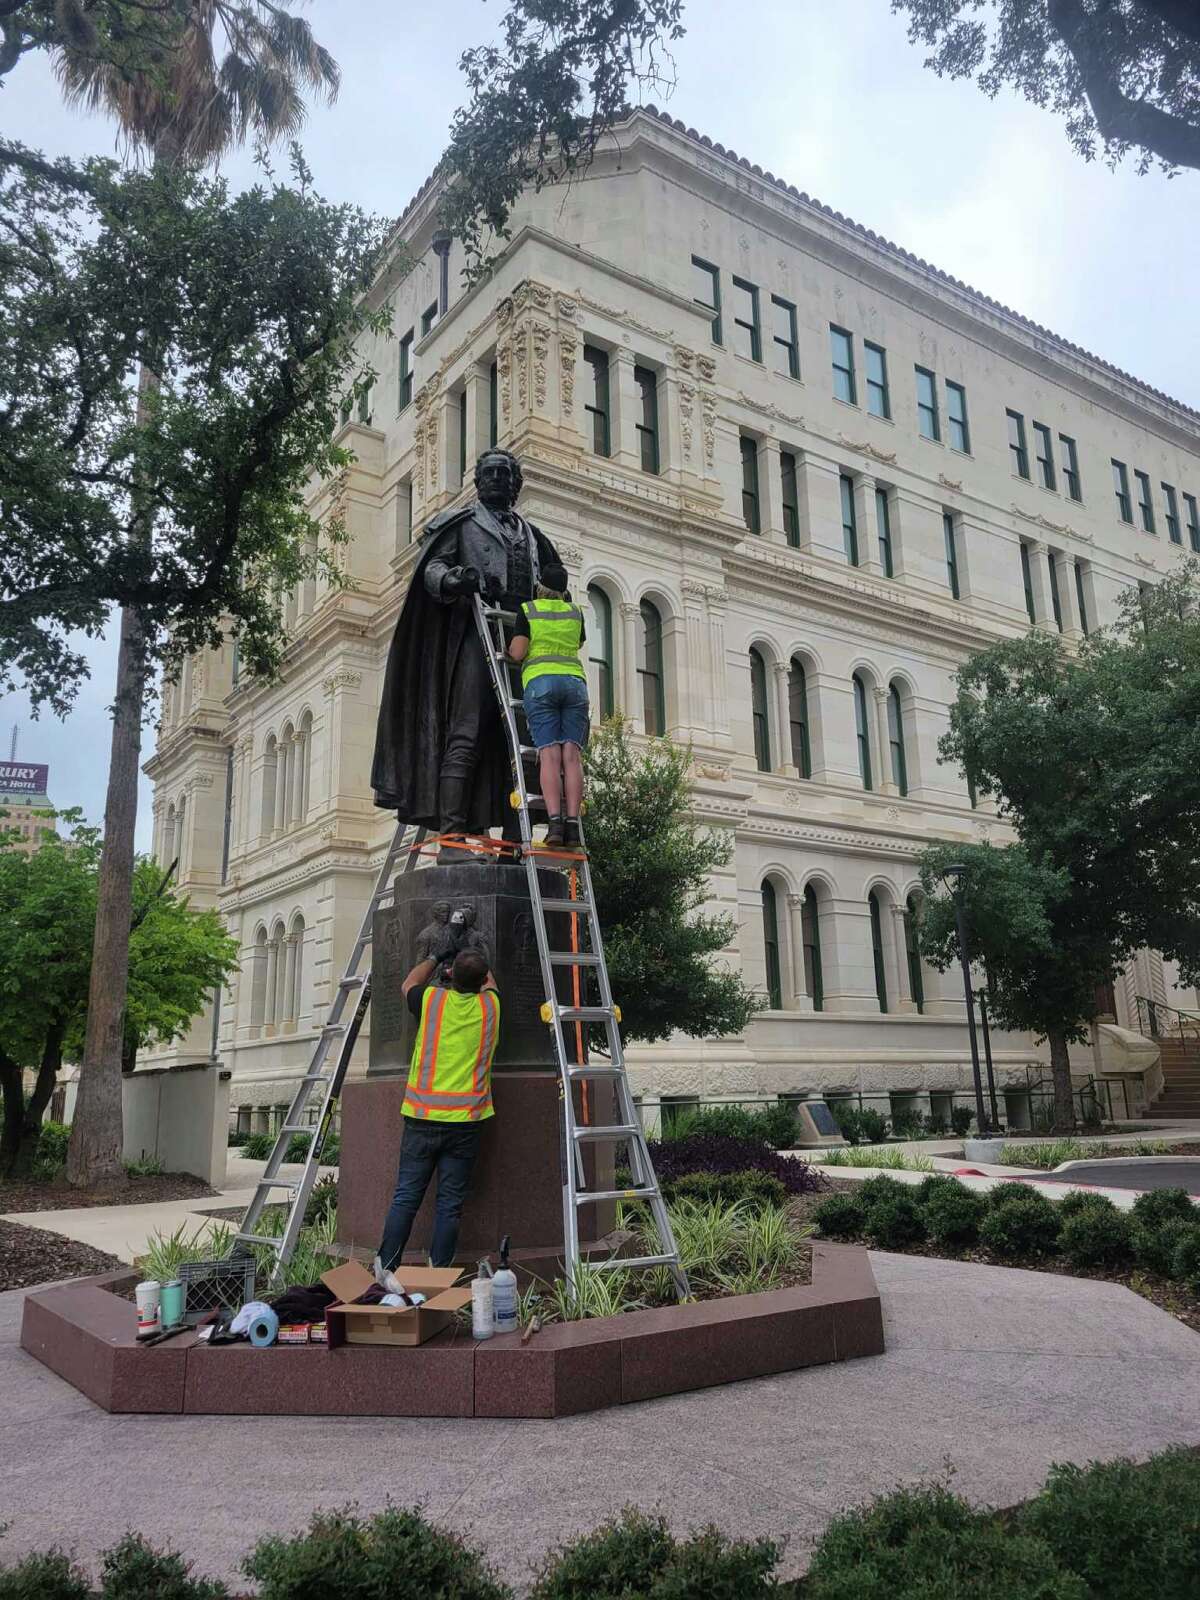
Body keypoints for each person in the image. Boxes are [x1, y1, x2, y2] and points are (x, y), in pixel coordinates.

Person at [370, 449, 563, 862]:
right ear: (478, 481)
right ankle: (453, 841)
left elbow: (554, 586)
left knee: (520, 742)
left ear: (516, 484)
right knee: (467, 734)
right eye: (488, 473)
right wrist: (458, 579)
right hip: (476, 639)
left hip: (521, 645)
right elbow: (432, 570)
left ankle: (514, 843)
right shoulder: (461, 525)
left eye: (504, 474)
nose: (496, 479)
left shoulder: (533, 536)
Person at [374, 947, 500, 1276]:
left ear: (450, 977)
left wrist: (436, 955)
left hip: (421, 1119)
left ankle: (386, 1269)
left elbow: (408, 983)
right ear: (483, 980)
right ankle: (437, 1274)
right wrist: (478, 954)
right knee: (450, 1204)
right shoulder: (490, 1007)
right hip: (466, 1124)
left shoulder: (432, 1001)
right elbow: (491, 985)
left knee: (406, 1196)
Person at [508, 562, 589, 849]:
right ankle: (573, 826)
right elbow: (576, 645)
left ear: (540, 585)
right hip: (575, 685)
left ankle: (554, 824)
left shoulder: (529, 610)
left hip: (541, 684)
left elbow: (518, 652)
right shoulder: (575, 612)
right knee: (572, 756)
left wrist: (508, 650)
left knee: (549, 755)